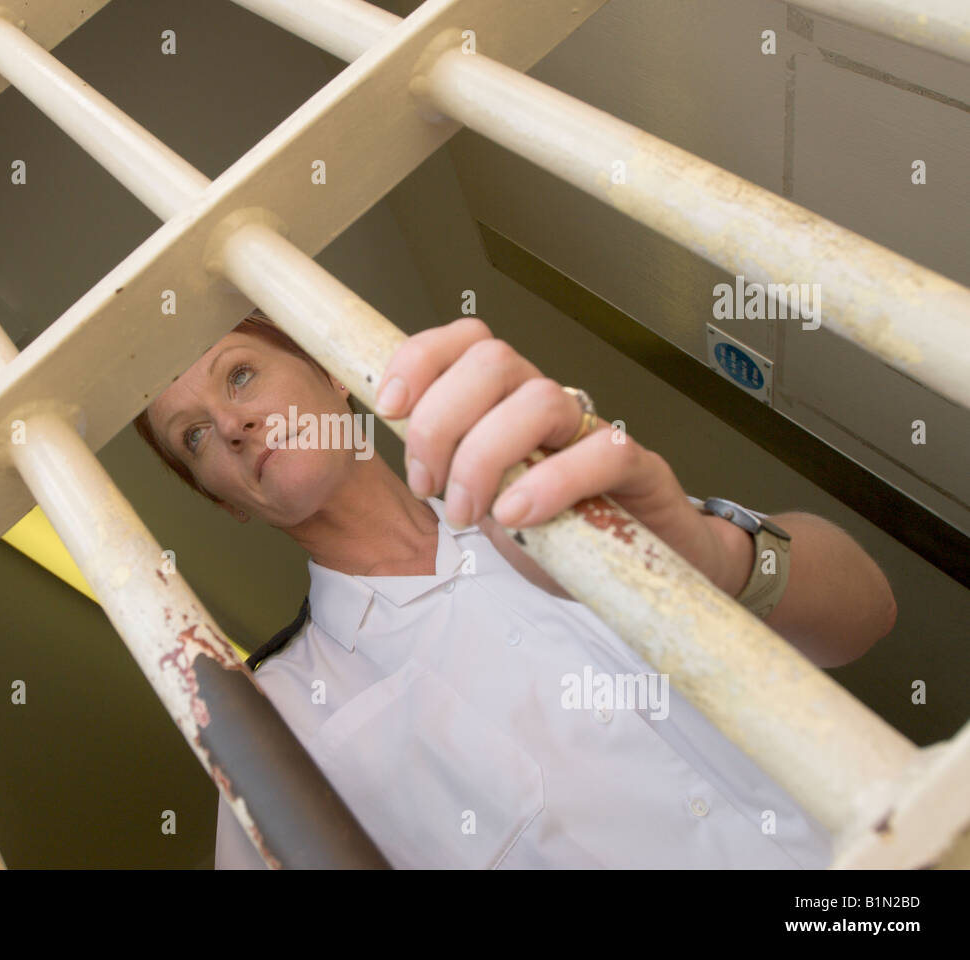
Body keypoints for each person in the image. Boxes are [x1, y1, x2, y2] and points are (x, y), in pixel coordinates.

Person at [133, 308, 898, 869]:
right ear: (224, 501)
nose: (231, 426)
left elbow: (870, 613)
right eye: (193, 437)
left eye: (240, 374)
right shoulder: (273, 724)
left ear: (332, 373)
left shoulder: (551, 491)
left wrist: (704, 556)